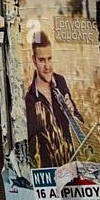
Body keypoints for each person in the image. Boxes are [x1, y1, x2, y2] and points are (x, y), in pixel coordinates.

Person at [24, 30, 84, 168]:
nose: (47, 66)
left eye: (49, 58)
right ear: (34, 60)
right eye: (42, 60)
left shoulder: (60, 82)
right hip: (50, 169)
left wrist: (73, 113)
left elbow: (80, 127)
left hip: (71, 163)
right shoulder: (31, 98)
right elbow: (31, 145)